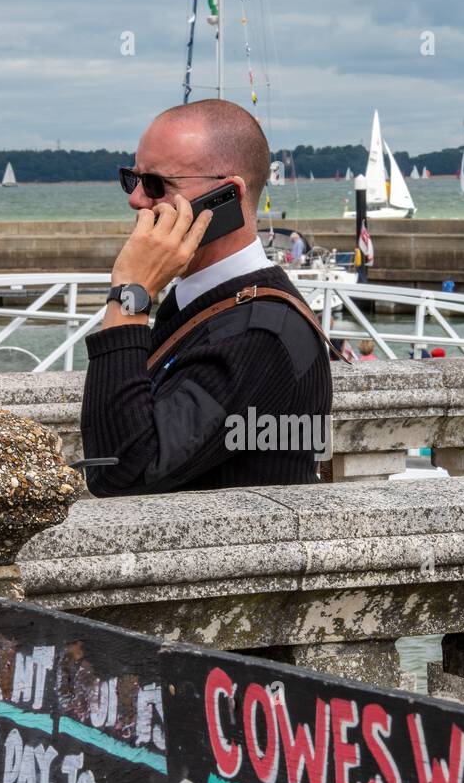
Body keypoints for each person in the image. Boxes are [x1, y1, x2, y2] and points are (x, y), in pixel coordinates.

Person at [80, 99, 333, 494]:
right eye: (133, 179)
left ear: (226, 196)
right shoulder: (203, 302)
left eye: (157, 185)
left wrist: (131, 292)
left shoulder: (262, 333)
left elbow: (118, 470)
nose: (136, 200)